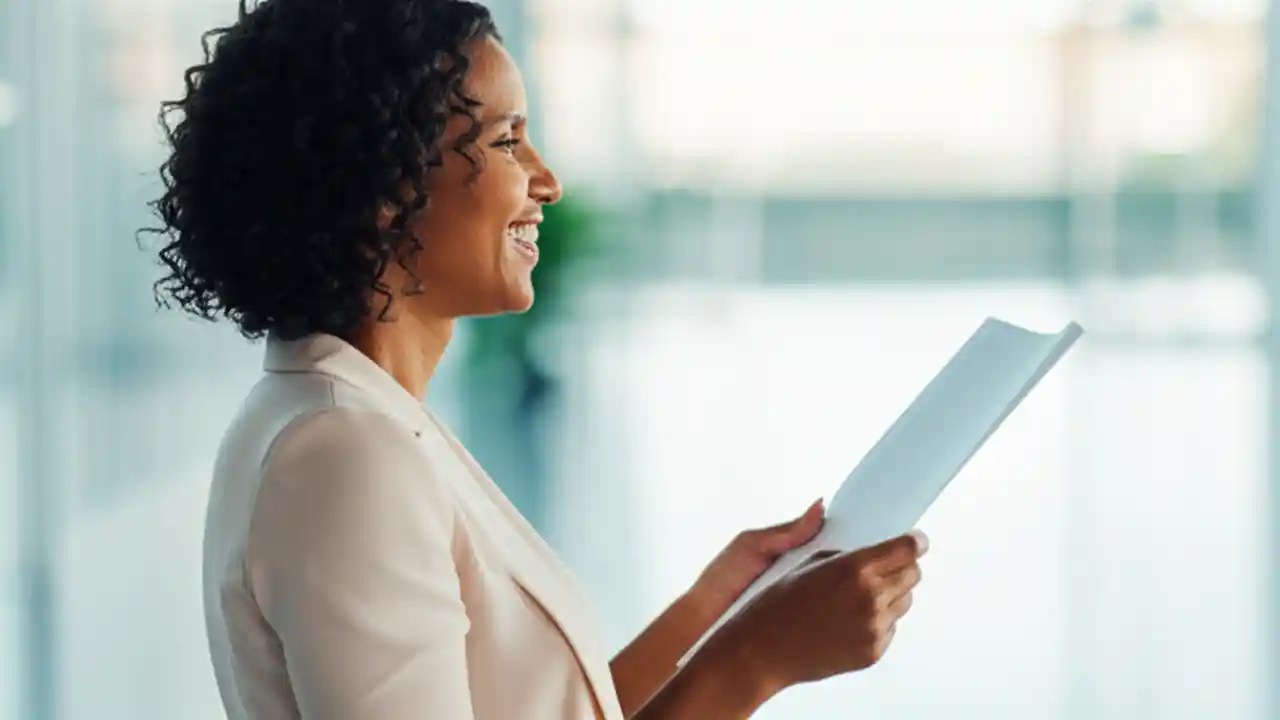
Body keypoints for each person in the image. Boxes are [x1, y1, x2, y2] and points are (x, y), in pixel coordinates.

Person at [147, 1, 928, 718]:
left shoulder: (353, 416)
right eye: (506, 141)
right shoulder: (344, 453)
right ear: (382, 186)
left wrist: (715, 604)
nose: (546, 181)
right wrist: (756, 660)